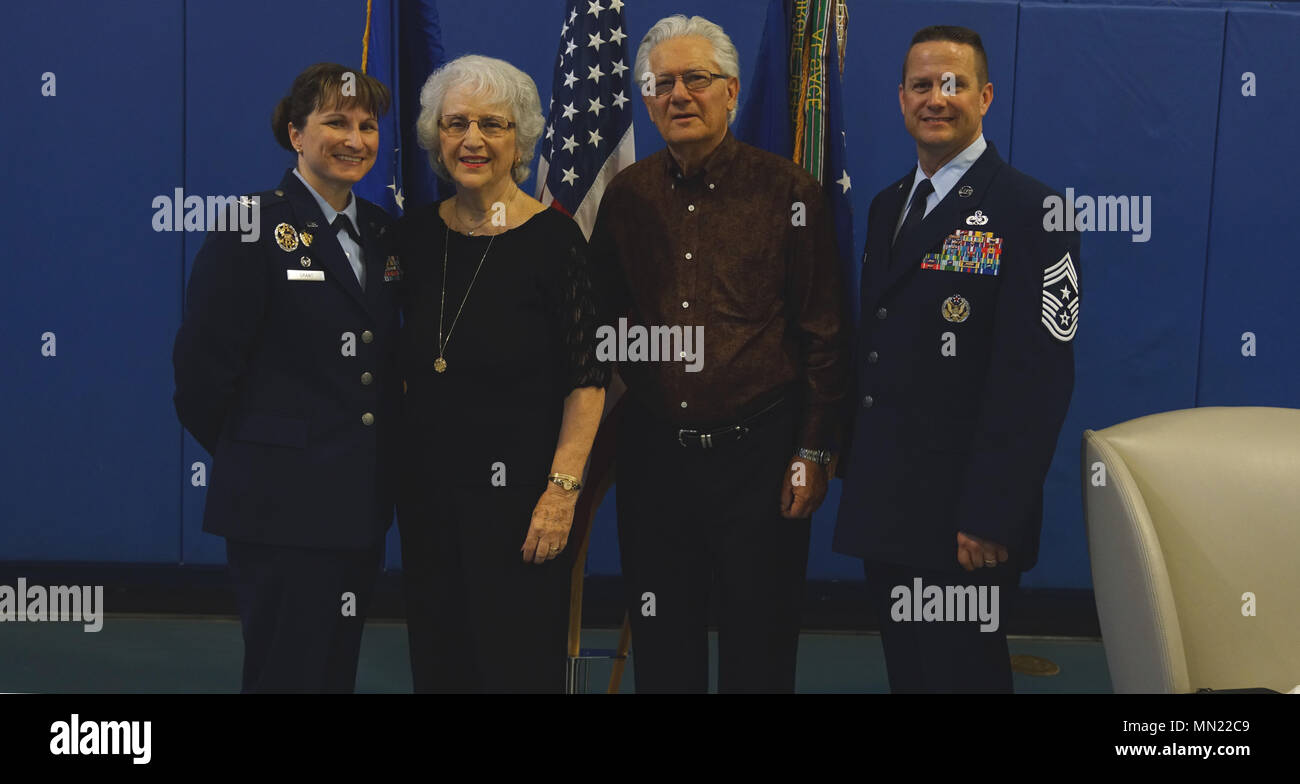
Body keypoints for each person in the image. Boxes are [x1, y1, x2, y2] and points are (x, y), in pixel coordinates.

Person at [590, 15, 849, 693]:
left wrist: (814, 453)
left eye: (696, 80)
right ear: (646, 100)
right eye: (662, 83)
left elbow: (823, 332)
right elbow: (601, 323)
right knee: (662, 641)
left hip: (760, 459)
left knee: (758, 650)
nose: (679, 95)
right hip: (654, 461)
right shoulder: (625, 197)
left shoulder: (791, 194)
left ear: (731, 92)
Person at [833, 25, 1080, 693]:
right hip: (890, 505)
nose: (935, 98)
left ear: (986, 96)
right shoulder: (888, 207)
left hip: (965, 518)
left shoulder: (1035, 211)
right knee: (911, 676)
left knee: (963, 678)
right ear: (901, 98)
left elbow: (1040, 376)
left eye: (953, 84)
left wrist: (993, 512)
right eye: (921, 85)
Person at [173, 63, 398, 692]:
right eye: (335, 122)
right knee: (285, 675)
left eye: (367, 125)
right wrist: (263, 452)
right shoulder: (251, 225)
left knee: (333, 674)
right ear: (296, 133)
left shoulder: (383, 234)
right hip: (280, 508)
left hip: (360, 506)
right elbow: (200, 374)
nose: (355, 139)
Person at [394, 54, 608, 693]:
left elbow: (588, 378)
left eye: (493, 124)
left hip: (521, 502)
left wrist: (562, 491)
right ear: (436, 138)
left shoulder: (556, 242)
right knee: (440, 659)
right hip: (428, 496)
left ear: (521, 141)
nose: (473, 140)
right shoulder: (411, 238)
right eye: (456, 123)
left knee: (515, 666)